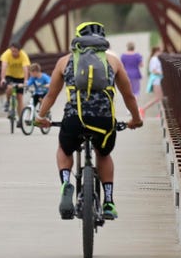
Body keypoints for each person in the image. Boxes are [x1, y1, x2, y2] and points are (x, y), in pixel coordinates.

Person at [36, 22, 143, 221]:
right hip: (104, 121)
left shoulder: (64, 61)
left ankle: (66, 183)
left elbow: (51, 95)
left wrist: (40, 118)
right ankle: (109, 201)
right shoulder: (113, 61)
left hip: (74, 119)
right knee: (103, 153)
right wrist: (135, 119)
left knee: (65, 149)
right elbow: (129, 96)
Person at [0, 41, 31, 124]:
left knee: (20, 98)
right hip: (10, 76)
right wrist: (2, 78)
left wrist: (26, 81)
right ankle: (8, 101)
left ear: (19, 51)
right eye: (12, 51)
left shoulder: (23, 55)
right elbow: (4, 66)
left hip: (20, 77)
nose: (13, 53)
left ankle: (20, 120)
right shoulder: (7, 54)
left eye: (15, 51)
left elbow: (25, 68)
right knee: (9, 87)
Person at [140, 46, 164, 117]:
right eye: (160, 51)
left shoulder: (155, 58)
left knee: (160, 97)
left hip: (158, 79)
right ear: (157, 51)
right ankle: (143, 109)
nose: (161, 53)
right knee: (158, 97)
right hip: (156, 80)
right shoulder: (154, 59)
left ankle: (160, 113)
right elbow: (153, 70)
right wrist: (162, 73)